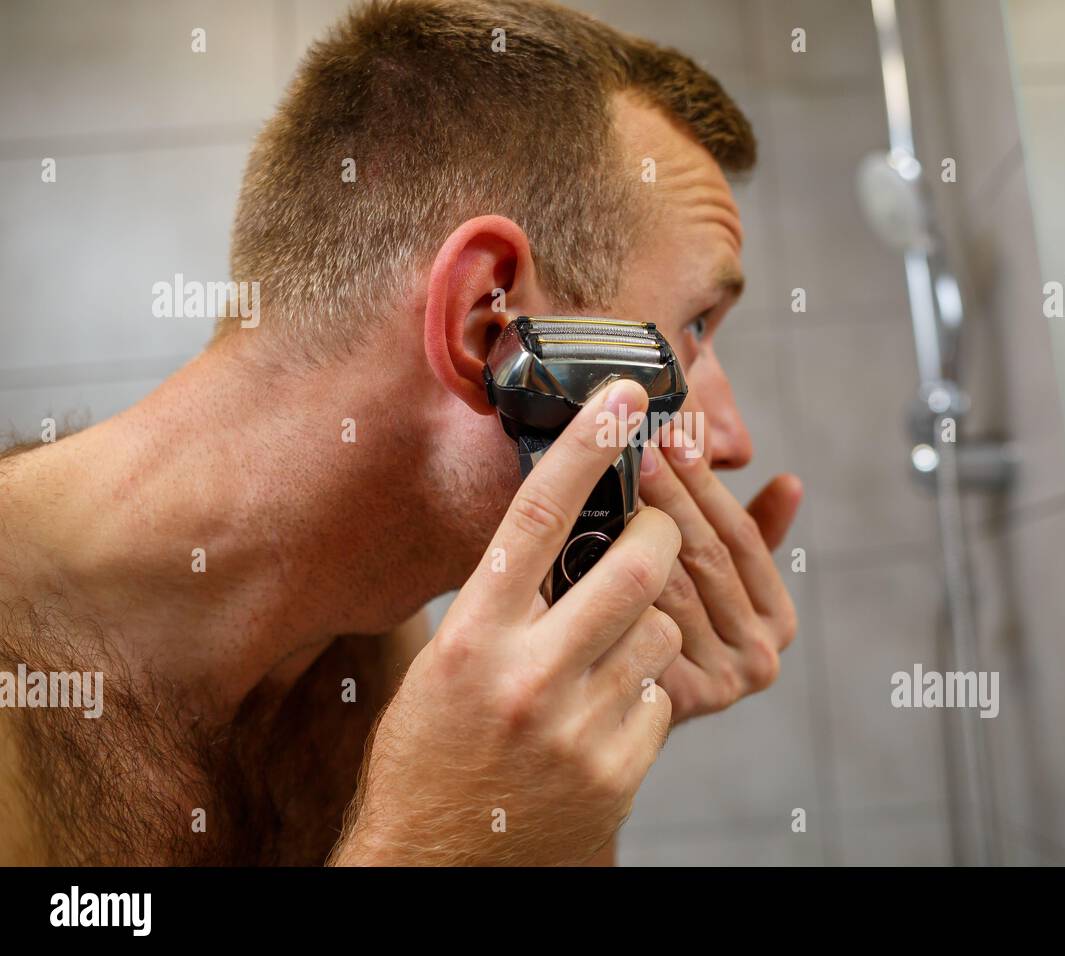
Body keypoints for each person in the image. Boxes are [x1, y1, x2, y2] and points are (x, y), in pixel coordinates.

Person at [0, 0, 800, 866]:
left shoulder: (381, 666)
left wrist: (576, 770)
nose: (731, 437)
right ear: (486, 324)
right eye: (694, 329)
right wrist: (427, 846)